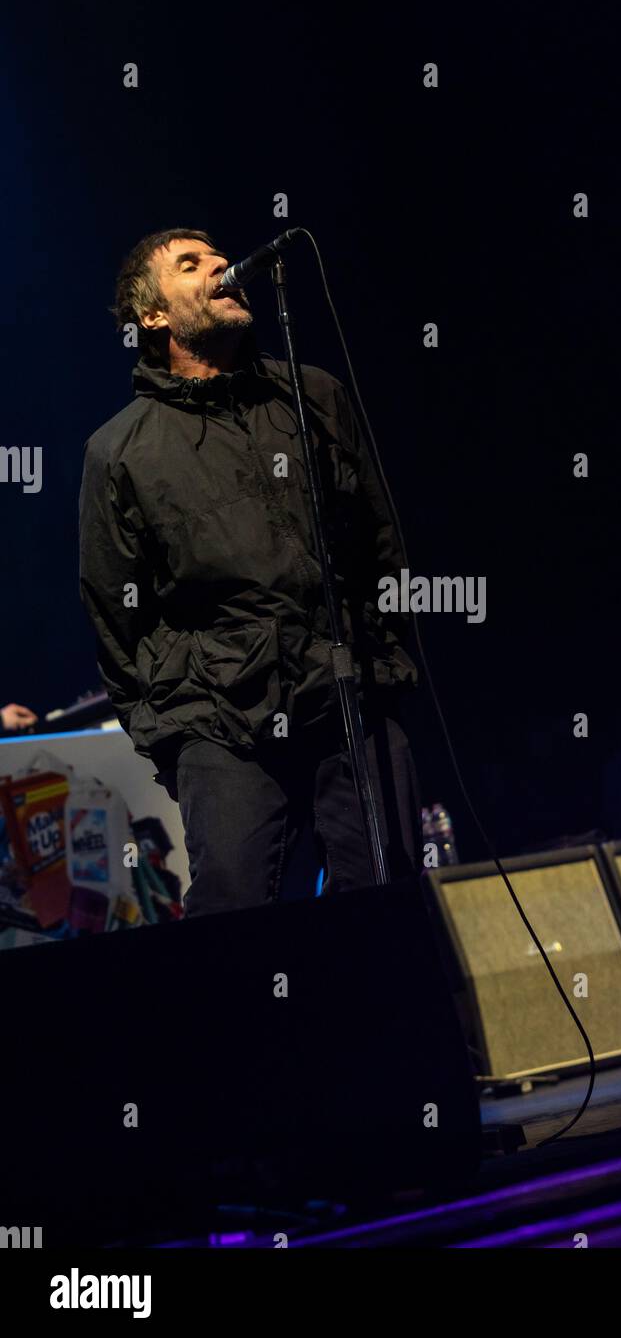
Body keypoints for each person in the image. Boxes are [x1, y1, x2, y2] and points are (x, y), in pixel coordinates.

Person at [79, 228, 420, 917]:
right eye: (191, 264)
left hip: (348, 692)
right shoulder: (119, 450)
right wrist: (176, 739)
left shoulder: (313, 395)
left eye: (218, 255)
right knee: (233, 915)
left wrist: (382, 665)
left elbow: (382, 545)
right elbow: (118, 620)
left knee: (389, 906)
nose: (221, 267)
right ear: (154, 316)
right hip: (220, 723)